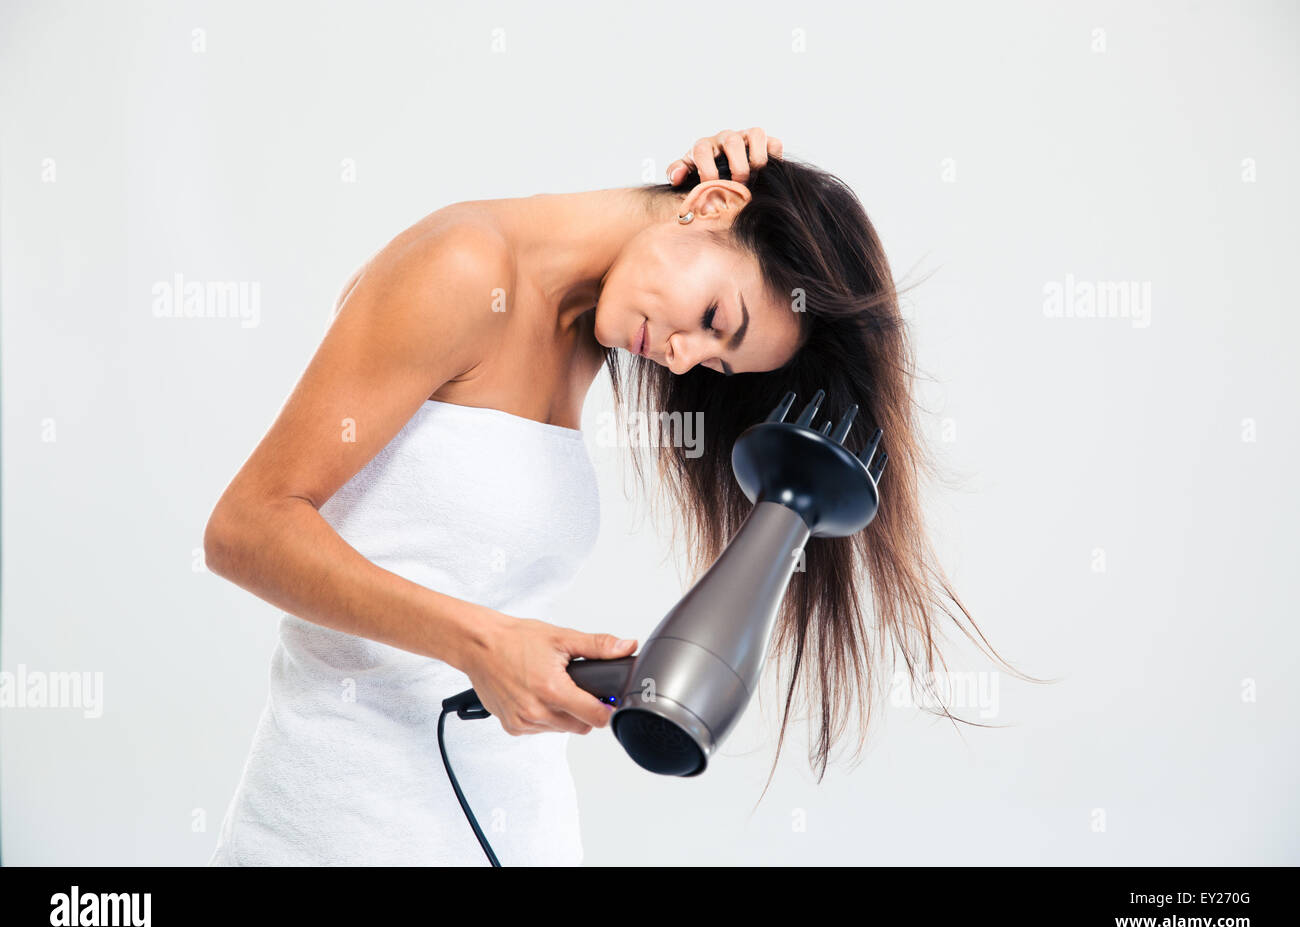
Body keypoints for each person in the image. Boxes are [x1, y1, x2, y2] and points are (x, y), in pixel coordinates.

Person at [203, 127, 1030, 865]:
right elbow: (246, 528)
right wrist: (480, 646)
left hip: (515, 821)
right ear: (709, 202)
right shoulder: (462, 267)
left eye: (712, 359)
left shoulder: (592, 331)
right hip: (340, 824)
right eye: (714, 315)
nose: (678, 356)